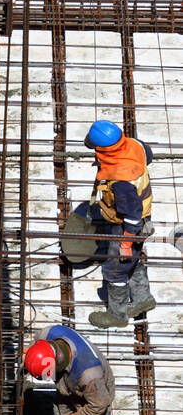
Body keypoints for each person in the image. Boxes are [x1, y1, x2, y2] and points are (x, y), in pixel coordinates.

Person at [83, 119, 154, 327]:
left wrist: (125, 242)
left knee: (115, 269)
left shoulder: (121, 181)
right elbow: (147, 156)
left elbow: (132, 214)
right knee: (133, 259)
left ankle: (117, 315)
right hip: (143, 217)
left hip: (129, 226)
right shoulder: (135, 145)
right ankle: (143, 299)